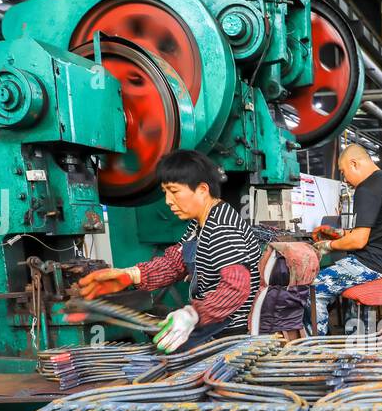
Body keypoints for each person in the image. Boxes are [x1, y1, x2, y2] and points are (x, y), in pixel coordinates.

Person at [71, 149, 261, 353]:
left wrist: (192, 315)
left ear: (202, 190)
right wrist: (131, 275)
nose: (169, 201)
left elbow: (236, 288)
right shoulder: (199, 224)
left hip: (231, 334)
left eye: (174, 191)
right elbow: (175, 263)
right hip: (213, 325)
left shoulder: (222, 228)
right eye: (165, 193)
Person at [311, 143, 382, 335]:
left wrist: (328, 245)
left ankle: (316, 348)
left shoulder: (367, 188)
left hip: (373, 265)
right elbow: (377, 230)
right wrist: (340, 235)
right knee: (336, 280)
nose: (345, 179)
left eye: (343, 172)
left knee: (314, 289)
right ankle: (356, 338)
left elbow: (359, 240)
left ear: (354, 164)